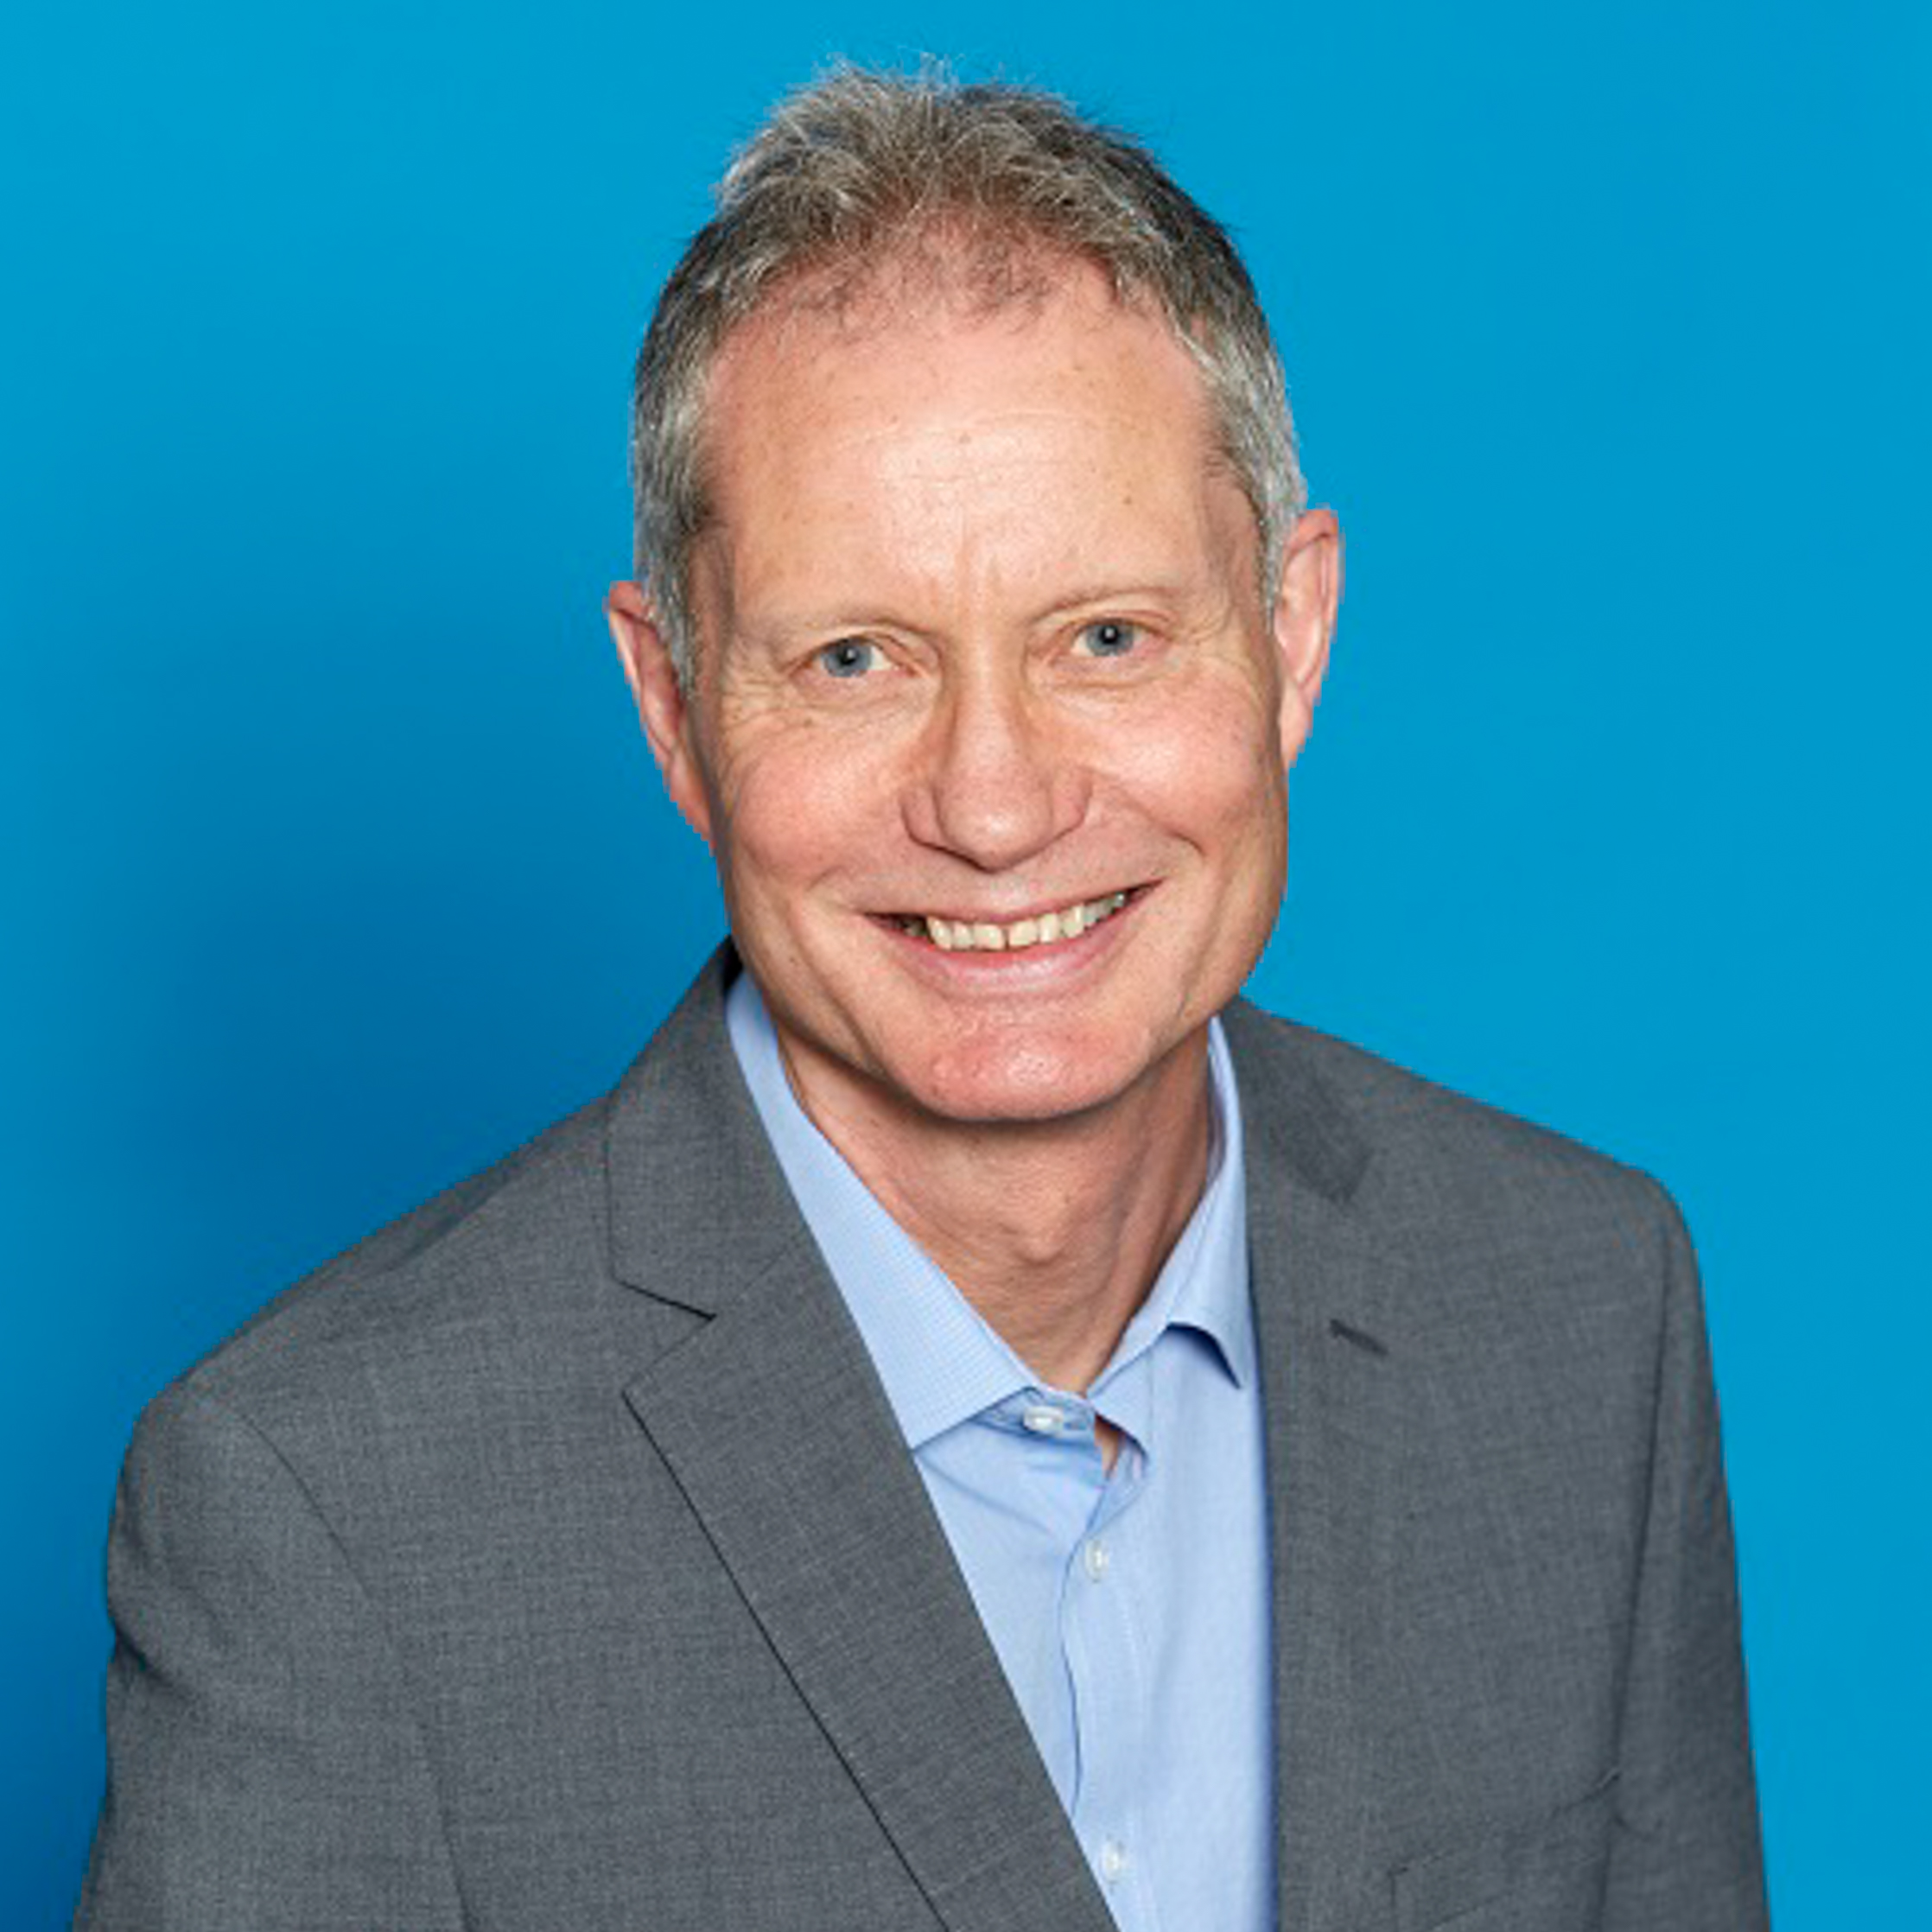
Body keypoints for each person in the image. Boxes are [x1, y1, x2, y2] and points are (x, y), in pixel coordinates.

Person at [75, 65, 1768, 1932]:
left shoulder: (1582, 1311)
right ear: (674, 706)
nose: (994, 803)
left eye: (1105, 636)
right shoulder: (327, 1506)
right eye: (854, 659)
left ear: (1291, 638)